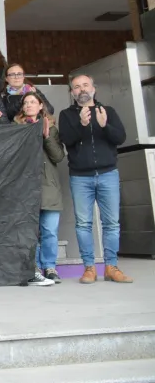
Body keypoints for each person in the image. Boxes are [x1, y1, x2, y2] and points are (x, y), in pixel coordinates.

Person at [58, 74, 131, 284]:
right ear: (72, 92)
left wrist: (105, 125)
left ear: (93, 88)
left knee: (111, 223)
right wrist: (82, 125)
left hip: (108, 173)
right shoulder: (66, 115)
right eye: (77, 87)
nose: (82, 89)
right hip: (81, 177)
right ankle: (89, 267)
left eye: (85, 85)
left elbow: (120, 138)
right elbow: (67, 141)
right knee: (83, 224)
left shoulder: (108, 111)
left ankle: (111, 267)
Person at [15, 91, 65, 285]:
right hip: (27, 188)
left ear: (40, 106)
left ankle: (50, 267)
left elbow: (58, 157)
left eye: (32, 102)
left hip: (49, 186)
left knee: (50, 231)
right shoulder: (16, 128)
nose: (28, 105)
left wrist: (45, 137)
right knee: (31, 231)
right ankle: (33, 268)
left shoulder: (51, 128)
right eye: (25, 103)